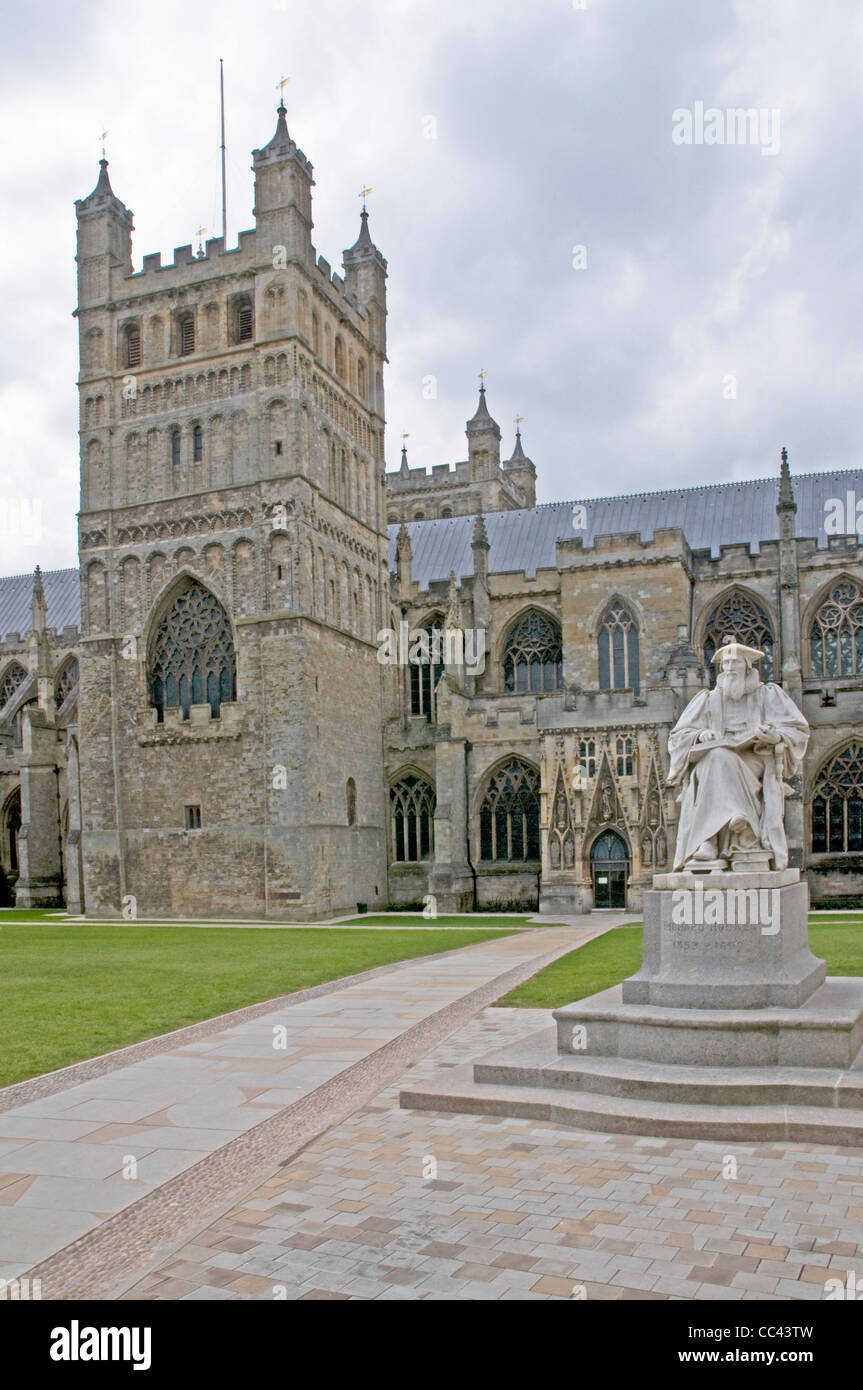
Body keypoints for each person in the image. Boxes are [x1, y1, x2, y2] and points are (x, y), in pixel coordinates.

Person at [667, 639, 809, 871]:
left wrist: (775, 736)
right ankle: (734, 823)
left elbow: (798, 729)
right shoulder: (707, 699)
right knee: (718, 756)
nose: (730, 666)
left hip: (755, 759)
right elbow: (679, 736)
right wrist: (700, 736)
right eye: (725, 662)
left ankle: (710, 840)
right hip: (714, 759)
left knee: (719, 758)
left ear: (746, 666)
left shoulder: (768, 694)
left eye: (734, 662)